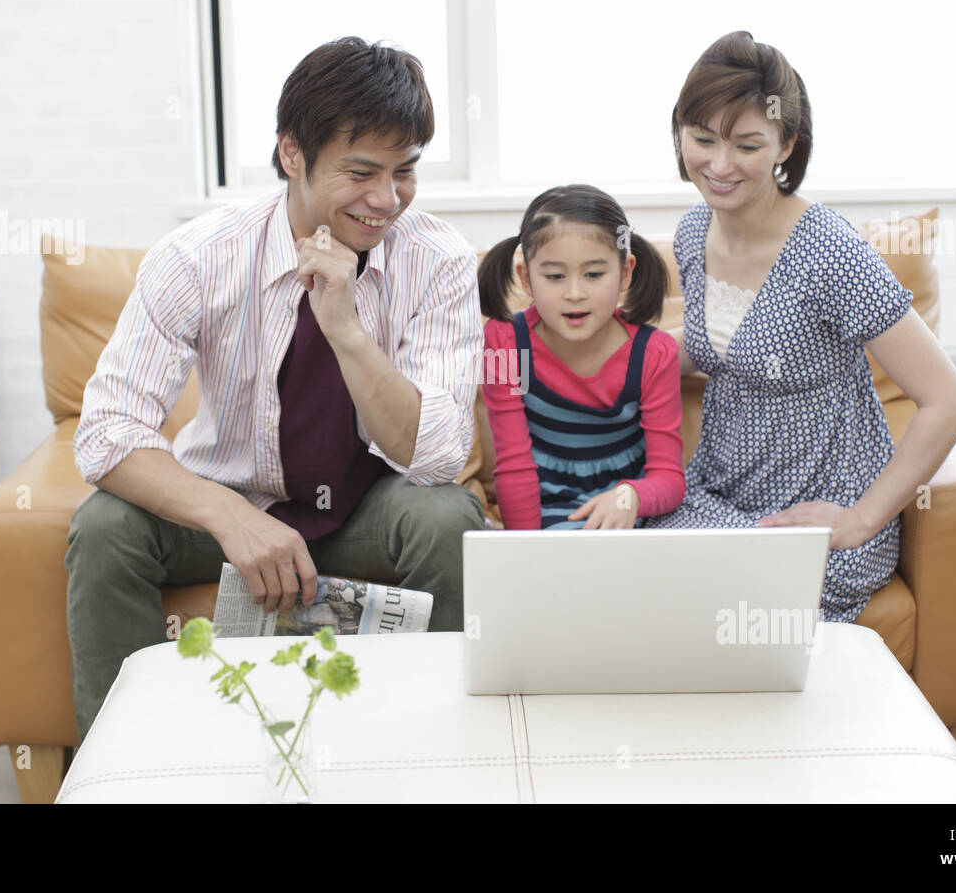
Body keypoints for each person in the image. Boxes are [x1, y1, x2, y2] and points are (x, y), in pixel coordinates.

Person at [65, 37, 485, 741]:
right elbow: (106, 431)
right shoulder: (197, 259)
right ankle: (126, 764)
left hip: (363, 508)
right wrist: (232, 518)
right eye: (361, 172)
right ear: (293, 154)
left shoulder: (437, 261)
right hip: (231, 498)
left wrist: (347, 327)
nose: (386, 200)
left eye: (404, 172)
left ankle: (441, 753)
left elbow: (437, 455)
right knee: (104, 529)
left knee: (448, 520)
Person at [649, 30, 956, 622]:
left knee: (695, 604)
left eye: (747, 145)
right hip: (719, 496)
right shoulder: (695, 232)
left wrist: (861, 518)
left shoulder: (831, 253)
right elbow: (712, 349)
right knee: (614, 557)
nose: (719, 166)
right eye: (702, 139)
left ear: (786, 144)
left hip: (812, 517)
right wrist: (600, 359)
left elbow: (949, 402)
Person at [478, 185, 685, 530]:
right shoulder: (503, 343)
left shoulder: (655, 353)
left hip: (629, 509)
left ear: (626, 272)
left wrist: (627, 498)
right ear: (526, 279)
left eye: (594, 274)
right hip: (545, 512)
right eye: (555, 277)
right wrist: (526, 552)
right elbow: (513, 466)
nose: (575, 294)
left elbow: (668, 478)